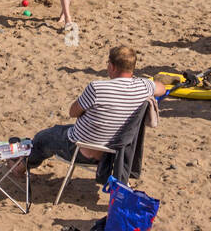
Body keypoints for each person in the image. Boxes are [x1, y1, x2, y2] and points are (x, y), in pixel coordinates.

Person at [26, 46, 166, 171]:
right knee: (59, 131)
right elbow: (162, 88)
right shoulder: (144, 86)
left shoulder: (97, 88)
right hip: (117, 151)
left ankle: (20, 167)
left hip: (84, 150)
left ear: (112, 66)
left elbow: (73, 112)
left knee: (42, 138)